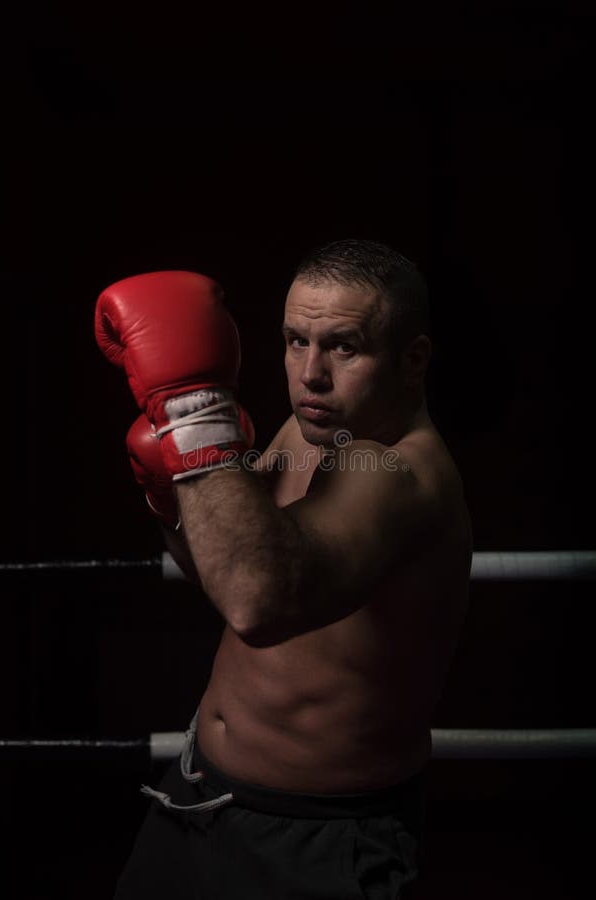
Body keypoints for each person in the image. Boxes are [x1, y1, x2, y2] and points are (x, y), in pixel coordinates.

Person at [95, 239, 473, 899]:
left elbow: (257, 603)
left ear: (412, 360)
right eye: (296, 341)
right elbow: (225, 569)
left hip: (315, 841)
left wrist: (193, 412)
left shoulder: (398, 474)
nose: (311, 374)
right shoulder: (312, 430)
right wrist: (169, 501)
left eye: (343, 347)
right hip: (197, 795)